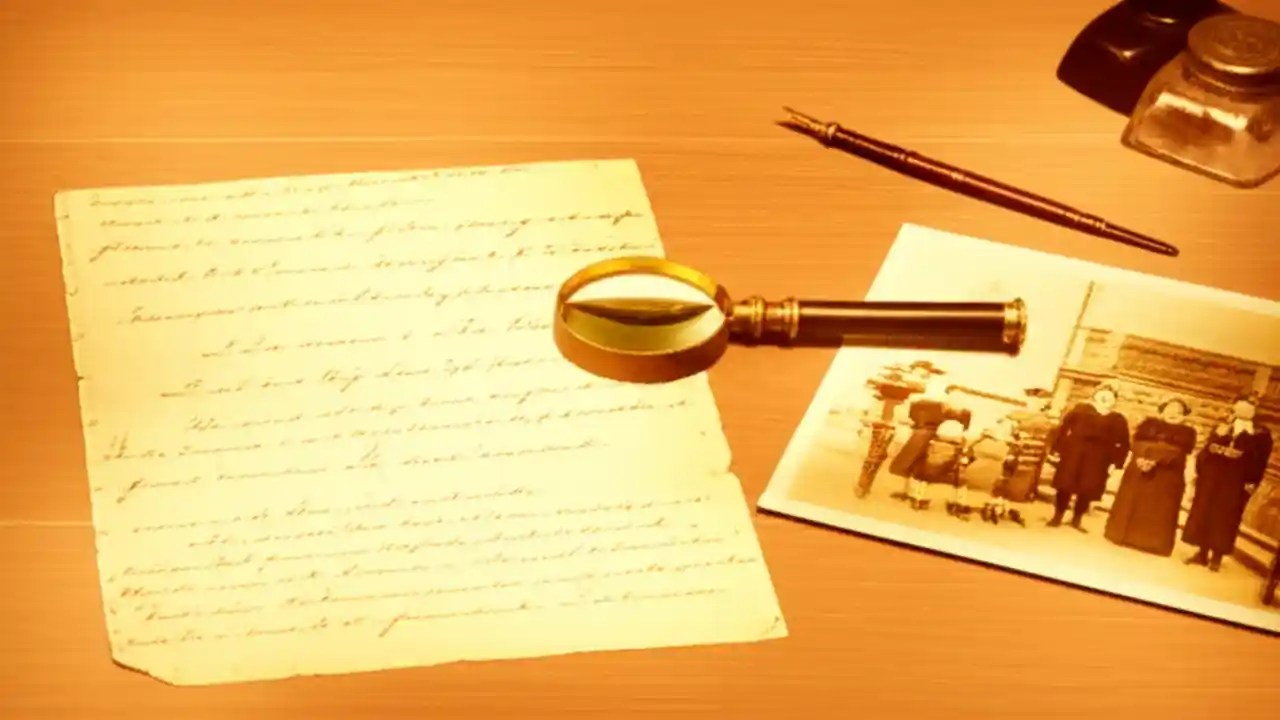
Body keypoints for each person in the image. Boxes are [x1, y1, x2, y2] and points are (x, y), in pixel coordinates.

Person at [1182, 391, 1274, 572]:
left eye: (1250, 407)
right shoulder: (1223, 425)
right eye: (1240, 404)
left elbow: (1260, 460)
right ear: (1234, 406)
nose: (1244, 409)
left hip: (1236, 480)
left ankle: (1217, 556)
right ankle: (1202, 553)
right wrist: (1217, 443)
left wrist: (1251, 480)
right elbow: (1207, 450)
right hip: (1212, 477)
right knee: (1205, 513)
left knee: (1226, 518)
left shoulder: (1261, 434)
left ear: (1255, 410)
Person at [1104, 396, 1197, 556]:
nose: (1173, 413)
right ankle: (1122, 535)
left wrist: (1156, 460)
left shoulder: (1187, 433)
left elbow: (1180, 452)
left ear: (1184, 415)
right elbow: (1136, 443)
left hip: (1166, 477)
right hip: (1138, 471)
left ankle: (1151, 543)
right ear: (1162, 410)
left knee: (1158, 510)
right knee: (1131, 502)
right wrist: (1140, 458)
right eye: (1169, 409)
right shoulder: (1148, 425)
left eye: (1178, 411)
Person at [1047, 380, 1131, 532]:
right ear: (1095, 396)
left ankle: (1076, 519)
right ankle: (1057, 516)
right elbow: (1063, 428)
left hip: (1099, 458)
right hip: (1074, 452)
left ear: (1115, 400)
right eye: (1102, 395)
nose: (1106, 399)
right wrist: (1057, 449)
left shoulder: (1118, 419)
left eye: (1110, 397)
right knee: (1065, 485)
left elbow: (1123, 443)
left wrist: (1116, 463)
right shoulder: (1081, 409)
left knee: (1087, 488)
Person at [855, 360, 938, 498]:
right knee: (876, 455)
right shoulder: (901, 381)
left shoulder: (911, 384)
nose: (925, 375)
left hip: (891, 422)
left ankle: (865, 483)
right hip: (884, 421)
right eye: (923, 371)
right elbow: (878, 388)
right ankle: (863, 484)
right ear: (917, 369)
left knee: (878, 455)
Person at [888, 379, 973, 510]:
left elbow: (965, 428)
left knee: (956, 470)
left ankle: (957, 503)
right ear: (948, 395)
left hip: (952, 441)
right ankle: (912, 494)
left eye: (959, 395)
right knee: (917, 464)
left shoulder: (965, 412)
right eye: (952, 394)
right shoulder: (939, 407)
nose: (955, 397)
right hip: (933, 438)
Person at [982, 387, 1060, 525]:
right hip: (1016, 452)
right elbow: (1004, 432)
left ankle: (1006, 506)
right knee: (1006, 477)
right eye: (1037, 401)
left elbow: (1049, 440)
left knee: (1020, 483)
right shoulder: (1015, 416)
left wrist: (1049, 453)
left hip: (1033, 455)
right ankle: (996, 506)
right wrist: (1012, 438)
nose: (1040, 404)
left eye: (1044, 402)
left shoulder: (1048, 421)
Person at [904, 418, 972, 516]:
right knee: (962, 482)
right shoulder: (959, 448)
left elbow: (920, 455)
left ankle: (918, 497)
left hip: (928, 470)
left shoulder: (931, 443)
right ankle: (959, 503)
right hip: (948, 473)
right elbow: (965, 460)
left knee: (919, 476)